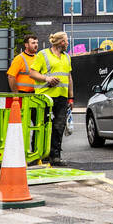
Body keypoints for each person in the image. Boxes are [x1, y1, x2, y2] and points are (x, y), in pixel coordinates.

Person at [28, 31, 72, 165]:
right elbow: (32, 73)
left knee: (59, 127)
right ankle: (37, 155)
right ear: (61, 42)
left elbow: (69, 78)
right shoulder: (43, 54)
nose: (68, 43)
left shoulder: (67, 57)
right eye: (66, 40)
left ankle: (55, 156)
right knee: (41, 126)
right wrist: (47, 78)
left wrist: (71, 97)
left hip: (62, 97)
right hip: (44, 97)